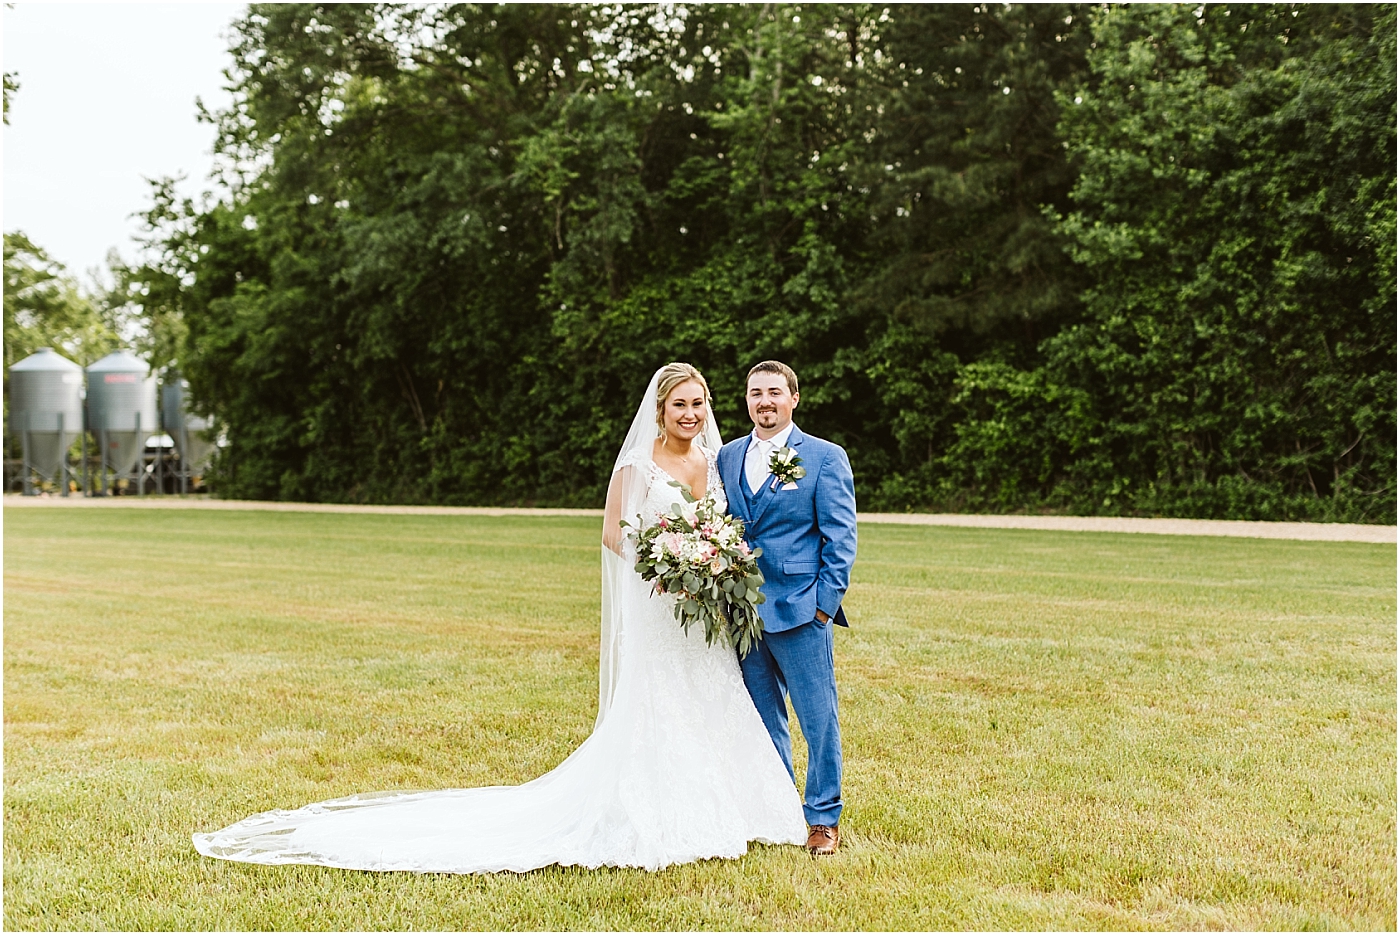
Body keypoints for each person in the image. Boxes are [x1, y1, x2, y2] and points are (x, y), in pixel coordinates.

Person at [191, 363, 806, 874]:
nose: (692, 414)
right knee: (661, 703)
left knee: (711, 697)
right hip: (657, 601)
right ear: (660, 409)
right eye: (680, 405)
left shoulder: (715, 458)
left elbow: (726, 526)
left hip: (701, 610)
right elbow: (615, 535)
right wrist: (666, 564)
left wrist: (715, 559)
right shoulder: (637, 466)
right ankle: (657, 814)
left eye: (699, 403)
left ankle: (735, 809)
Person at [717, 360, 857, 856]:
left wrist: (822, 607)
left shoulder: (823, 457)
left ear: (793, 398)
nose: (765, 402)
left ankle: (822, 818)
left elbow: (840, 539)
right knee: (762, 716)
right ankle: (777, 807)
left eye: (774, 392)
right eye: (756, 393)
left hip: (801, 610)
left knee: (818, 718)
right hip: (744, 611)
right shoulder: (728, 457)